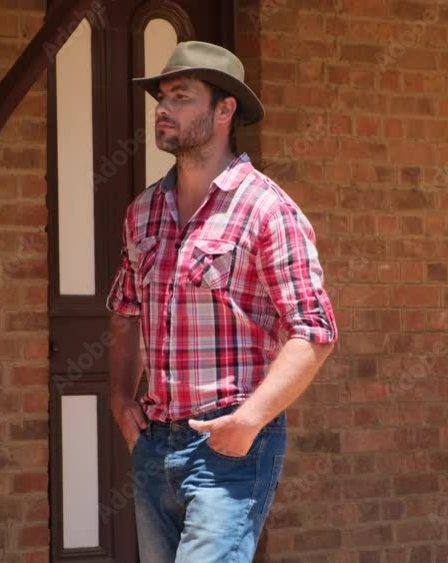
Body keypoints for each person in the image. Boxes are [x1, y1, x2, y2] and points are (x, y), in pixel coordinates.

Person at [106, 40, 338, 563]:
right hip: (154, 442)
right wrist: (121, 399)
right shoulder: (142, 212)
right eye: (161, 97)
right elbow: (126, 311)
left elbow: (314, 331)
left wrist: (249, 420)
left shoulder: (267, 210)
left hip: (229, 447)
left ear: (224, 110)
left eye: (181, 96)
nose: (163, 109)